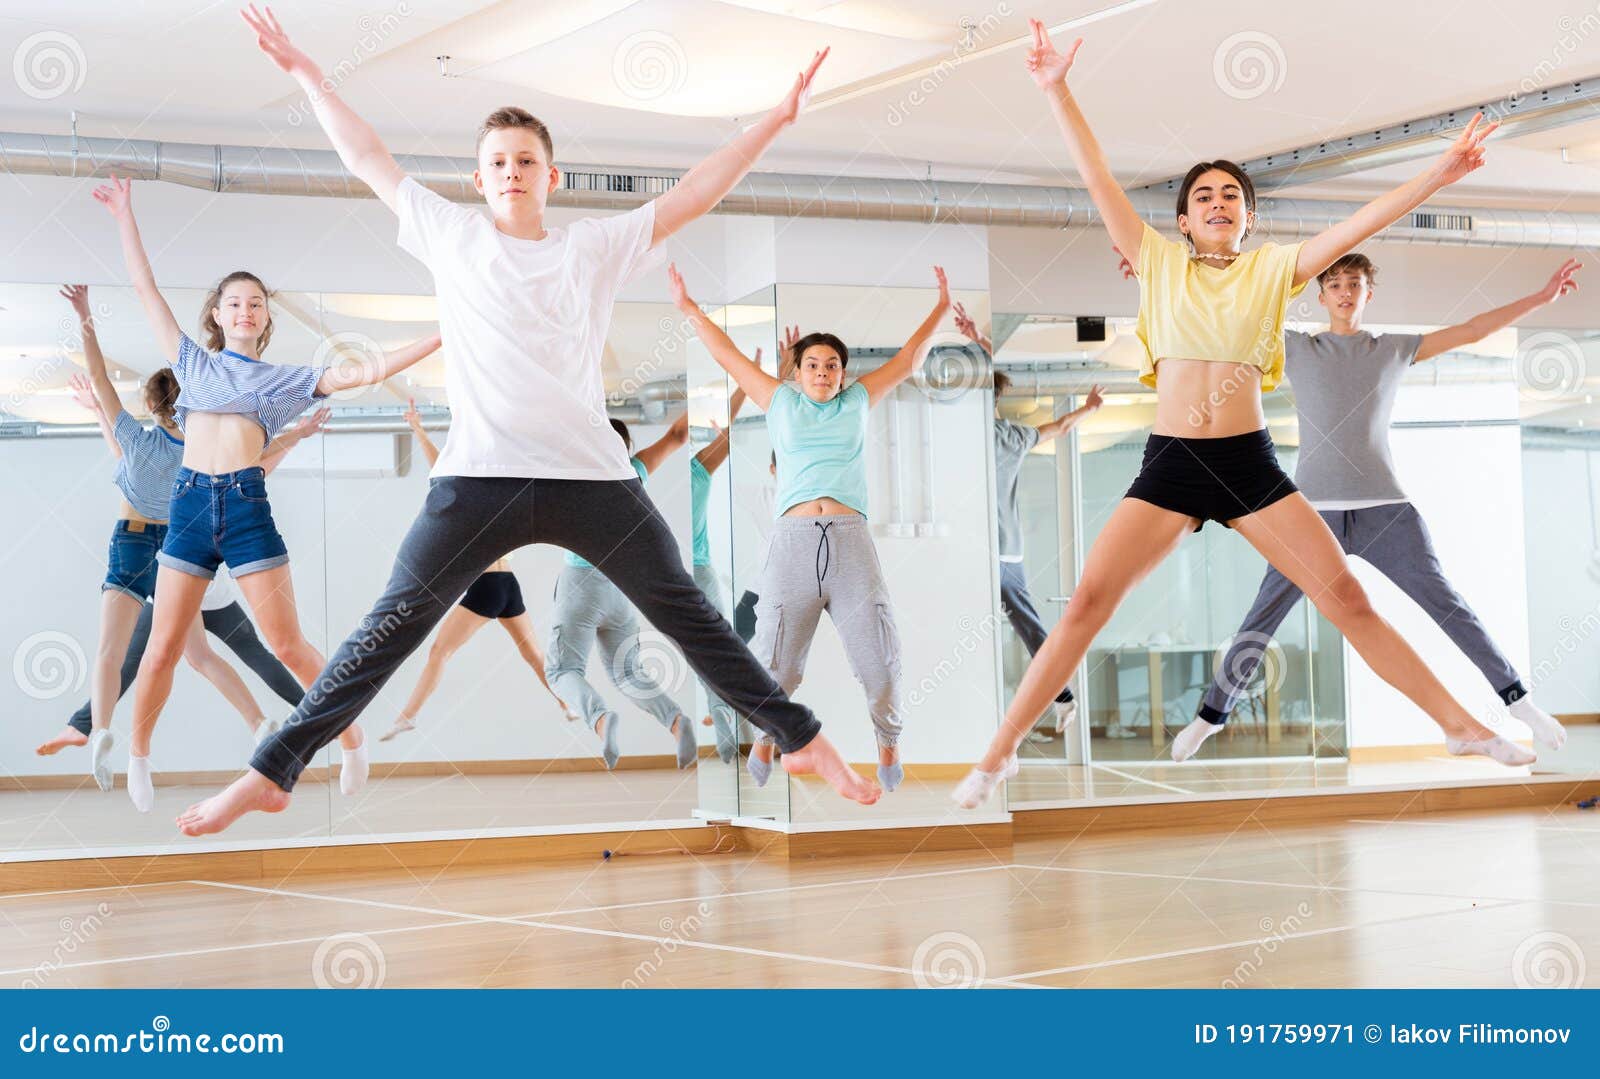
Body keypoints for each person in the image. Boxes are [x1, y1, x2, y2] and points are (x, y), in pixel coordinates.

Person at [176, 7, 873, 838]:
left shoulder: (593, 249)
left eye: (526, 160)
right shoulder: (451, 234)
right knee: (390, 627)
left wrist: (774, 121)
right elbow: (366, 155)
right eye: (497, 161)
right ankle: (273, 771)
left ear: (552, 174)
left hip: (592, 480)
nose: (511, 171)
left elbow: (693, 193)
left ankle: (801, 738)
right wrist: (306, 75)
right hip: (477, 479)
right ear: (479, 178)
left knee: (689, 615)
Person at [954, 20, 1516, 810]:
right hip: (1173, 463)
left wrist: (1442, 169)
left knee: (1346, 597)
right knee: (1085, 603)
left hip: (1249, 463)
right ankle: (998, 750)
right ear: (1182, 219)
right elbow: (1097, 176)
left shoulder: (1275, 271)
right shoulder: (1153, 260)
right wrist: (1057, 88)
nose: (1217, 203)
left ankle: (1459, 724)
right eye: (1202, 196)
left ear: (1249, 218)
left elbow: (1363, 224)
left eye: (1231, 196)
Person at [93, 172, 441, 811]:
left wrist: (445, 333)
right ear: (218, 315)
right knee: (165, 645)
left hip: (249, 507)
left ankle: (354, 737)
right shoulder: (191, 361)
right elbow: (144, 287)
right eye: (234, 302)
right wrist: (123, 214)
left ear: (265, 317)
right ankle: (140, 757)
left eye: (255, 302)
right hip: (191, 507)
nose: (245, 310)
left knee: (286, 644)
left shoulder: (285, 381)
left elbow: (365, 370)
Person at [1173, 253, 1582, 761]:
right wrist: (1159, 273)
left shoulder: (1393, 348)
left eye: (1356, 284)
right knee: (1265, 614)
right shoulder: (1294, 347)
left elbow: (1473, 329)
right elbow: (1220, 319)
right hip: (1309, 512)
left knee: (1448, 606)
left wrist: (1542, 298)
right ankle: (1211, 716)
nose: (1345, 292)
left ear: (1369, 294)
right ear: (1320, 296)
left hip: (1386, 509)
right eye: (1336, 284)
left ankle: (1517, 701)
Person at [669, 262, 951, 793]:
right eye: (813, 364)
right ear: (796, 372)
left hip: (850, 544)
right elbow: (726, 354)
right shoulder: (778, 401)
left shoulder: (858, 400)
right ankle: (769, 738)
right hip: (793, 545)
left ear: (843, 373)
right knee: (778, 667)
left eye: (832, 365)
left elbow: (910, 358)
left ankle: (888, 745)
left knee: (880, 663)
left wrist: (940, 304)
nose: (823, 372)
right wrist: (689, 310)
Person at [953, 300, 1105, 741]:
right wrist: (1091, 409)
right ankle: (1060, 699)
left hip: (985, 550)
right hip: (1007, 549)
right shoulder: (1014, 435)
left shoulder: (971, 432)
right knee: (1026, 624)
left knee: (993, 626)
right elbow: (1057, 428)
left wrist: (976, 342)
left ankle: (1030, 712)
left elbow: (984, 382)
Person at [378, 399, 568, 742]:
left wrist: (420, 430)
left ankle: (408, 715)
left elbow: (440, 471)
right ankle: (567, 703)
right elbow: (442, 470)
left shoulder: (469, 501)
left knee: (441, 651)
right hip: (508, 583)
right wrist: (419, 430)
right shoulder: (504, 498)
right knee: (532, 653)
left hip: (487, 586)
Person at [545, 415, 700, 769]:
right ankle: (676, 722)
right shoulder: (634, 473)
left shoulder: (570, 477)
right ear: (625, 448)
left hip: (580, 586)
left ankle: (601, 720)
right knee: (629, 672)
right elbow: (677, 435)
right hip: (620, 588)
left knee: (562, 671)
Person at [690, 384, 749, 762]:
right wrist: (742, 388)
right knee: (716, 656)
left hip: (674, 575)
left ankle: (729, 744)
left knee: (709, 658)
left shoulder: (638, 481)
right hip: (696, 572)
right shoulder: (694, 469)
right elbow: (725, 443)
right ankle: (729, 745)